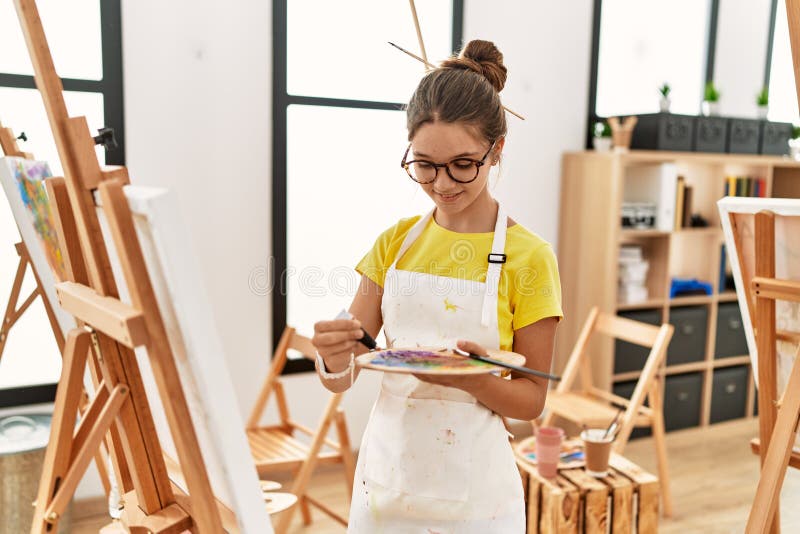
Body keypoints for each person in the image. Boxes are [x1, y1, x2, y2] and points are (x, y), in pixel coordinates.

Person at [312, 39, 563, 533]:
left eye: (463, 164)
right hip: (386, 485)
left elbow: (532, 400)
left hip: (476, 501)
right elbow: (343, 375)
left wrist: (471, 380)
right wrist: (332, 353)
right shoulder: (395, 244)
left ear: (497, 150)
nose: (442, 183)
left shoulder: (531, 258)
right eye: (424, 164)